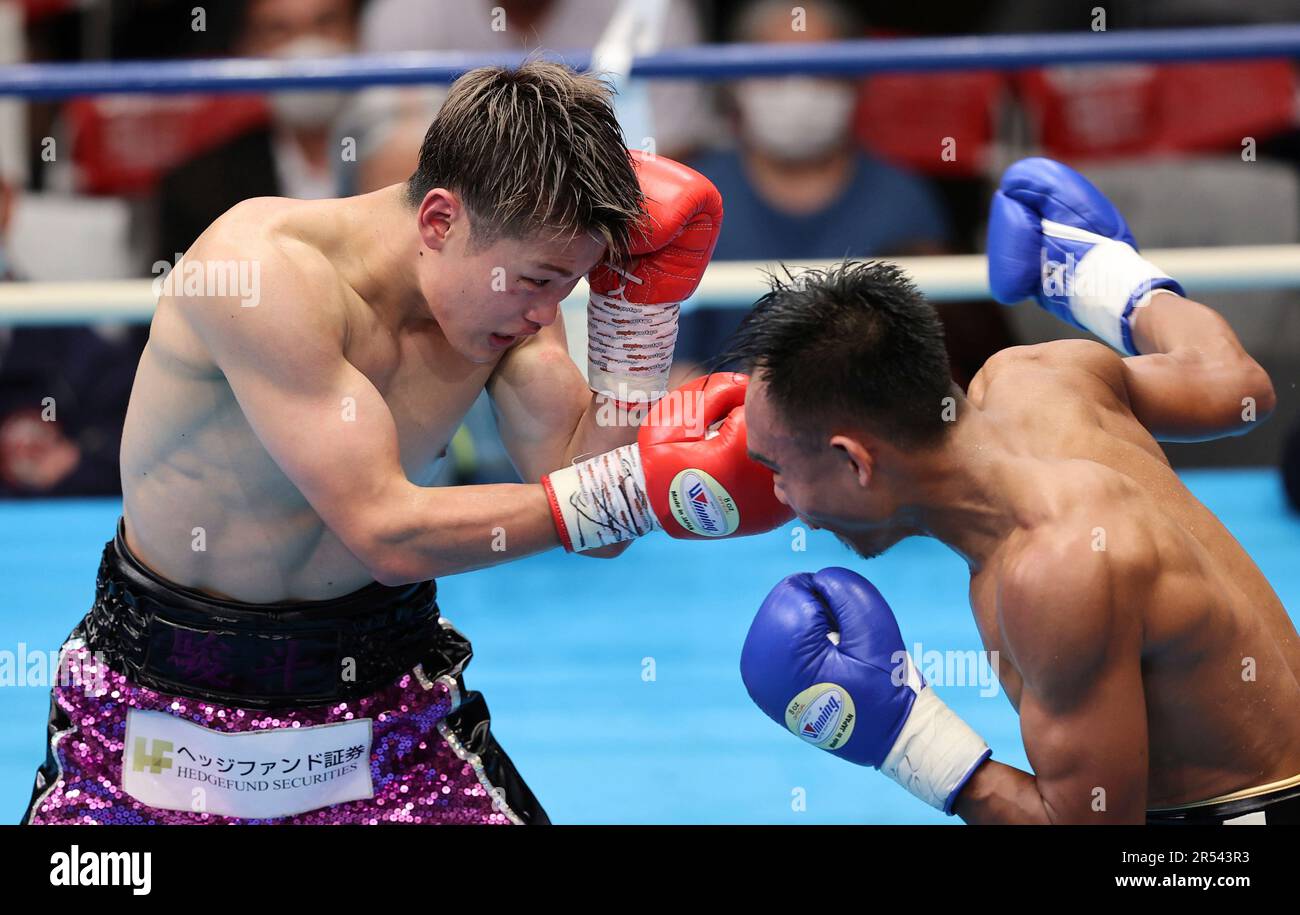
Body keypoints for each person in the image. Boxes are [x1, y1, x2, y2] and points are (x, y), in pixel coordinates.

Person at [21, 61, 790, 826]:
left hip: (383, 692)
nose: (545, 312)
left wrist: (637, 326)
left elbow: (589, 507)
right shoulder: (260, 273)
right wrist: (635, 485)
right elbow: (386, 529)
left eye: (569, 287)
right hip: (161, 713)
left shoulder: (506, 302)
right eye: (538, 280)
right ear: (439, 220)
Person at [732, 157, 1300, 824]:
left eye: (779, 466)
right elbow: (1237, 385)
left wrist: (902, 733)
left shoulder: (1056, 572)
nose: (777, 494)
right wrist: (1105, 276)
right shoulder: (1035, 376)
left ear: (855, 462)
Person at [152, 0, 363, 268]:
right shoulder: (199, 187)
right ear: (247, 50)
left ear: (358, 32)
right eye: (279, 31)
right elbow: (177, 295)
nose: (307, 48)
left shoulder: (410, 166)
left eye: (326, 23)